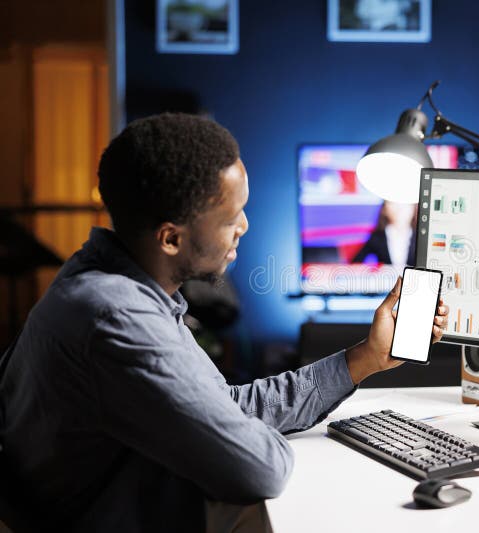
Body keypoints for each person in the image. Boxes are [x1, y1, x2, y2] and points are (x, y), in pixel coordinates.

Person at [0, 113, 448, 532]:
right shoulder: (117, 317)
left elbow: (227, 408)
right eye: (231, 217)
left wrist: (364, 359)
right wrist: (235, 435)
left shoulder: (114, 281)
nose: (245, 226)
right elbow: (259, 467)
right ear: (171, 238)